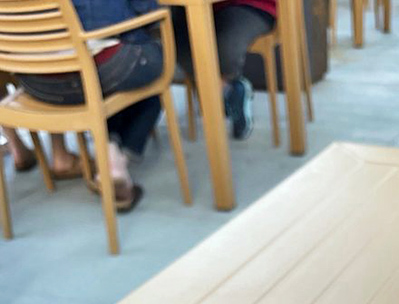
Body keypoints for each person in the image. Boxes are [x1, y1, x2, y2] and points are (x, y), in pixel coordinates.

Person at [16, 0, 164, 210]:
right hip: (99, 70)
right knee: (152, 65)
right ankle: (115, 159)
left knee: (116, 82)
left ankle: (110, 151)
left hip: (36, 83)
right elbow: (148, 9)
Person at [172, 0, 277, 141]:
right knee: (172, 39)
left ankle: (223, 91)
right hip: (194, 8)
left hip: (249, 4)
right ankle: (228, 90)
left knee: (225, 49)